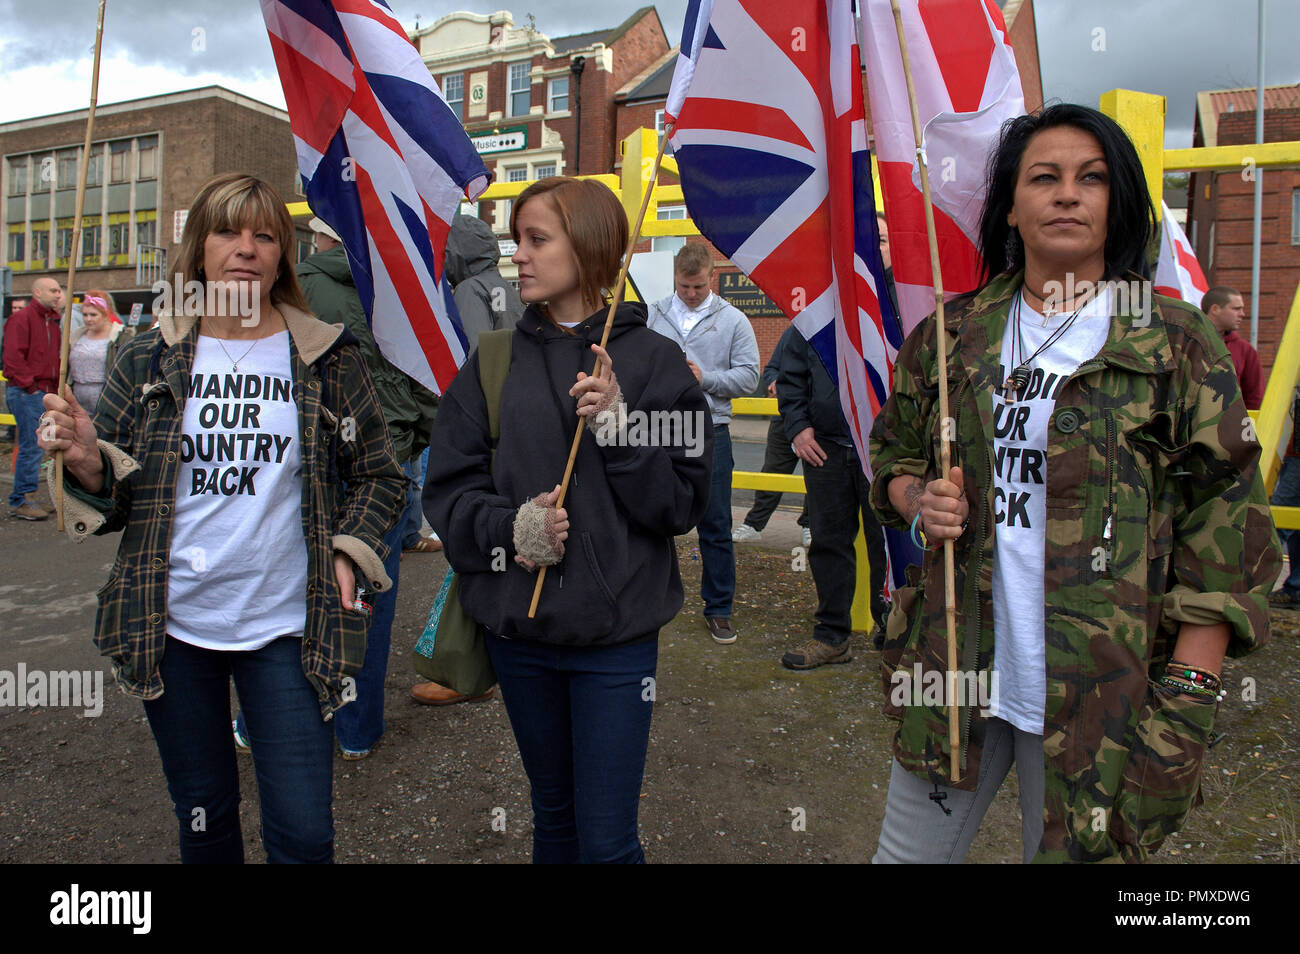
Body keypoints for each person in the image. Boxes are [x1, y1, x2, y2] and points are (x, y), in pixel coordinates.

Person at [869, 104, 1280, 863]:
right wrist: (916, 501)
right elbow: (893, 456)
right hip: (957, 669)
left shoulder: (1176, 342)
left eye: (1091, 178)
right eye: (1044, 178)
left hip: (1105, 697)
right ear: (1013, 208)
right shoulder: (952, 336)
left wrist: (1188, 698)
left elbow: (1225, 533)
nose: (1067, 194)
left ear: (1116, 202)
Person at [37, 172, 406, 863]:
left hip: (287, 629)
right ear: (197, 249)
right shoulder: (146, 353)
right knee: (204, 820)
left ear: (282, 254)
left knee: (304, 832)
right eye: (228, 231)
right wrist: (87, 461)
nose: (246, 247)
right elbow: (111, 493)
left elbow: (380, 474)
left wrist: (350, 548)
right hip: (172, 626)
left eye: (264, 234)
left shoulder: (326, 354)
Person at [424, 176, 711, 863]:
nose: (517, 255)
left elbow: (681, 504)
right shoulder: (493, 360)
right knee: (552, 822)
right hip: (521, 639)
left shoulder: (655, 361)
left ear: (586, 248)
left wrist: (620, 429)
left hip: (616, 645)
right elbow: (449, 490)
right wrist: (511, 530)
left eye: (536, 239)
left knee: (607, 843)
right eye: (515, 239)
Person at [232, 215, 437, 760]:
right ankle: (357, 730)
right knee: (366, 598)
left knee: (284, 596)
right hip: (383, 463)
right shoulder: (401, 291)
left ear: (319, 237)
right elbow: (431, 384)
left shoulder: (293, 288)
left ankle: (261, 722)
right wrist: (407, 438)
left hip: (304, 463)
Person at [410, 212, 528, 707]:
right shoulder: (509, 288)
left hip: (482, 436)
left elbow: (473, 366)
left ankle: (465, 664)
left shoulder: (467, 293)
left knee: (471, 546)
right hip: (518, 435)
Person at [646, 243, 758, 644]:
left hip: (711, 429)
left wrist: (704, 378)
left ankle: (719, 608)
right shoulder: (653, 314)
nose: (690, 293)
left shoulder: (734, 320)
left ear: (711, 277)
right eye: (683, 286)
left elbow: (749, 377)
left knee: (715, 523)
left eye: (696, 286)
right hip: (659, 426)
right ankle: (649, 602)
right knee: (651, 517)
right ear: (674, 278)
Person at [777, 322, 889, 669]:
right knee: (828, 543)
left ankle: (896, 638)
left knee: (889, 545)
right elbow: (790, 376)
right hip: (825, 449)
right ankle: (832, 636)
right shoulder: (812, 312)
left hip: (884, 448)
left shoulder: (891, 299)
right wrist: (798, 427)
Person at [732, 323, 810, 546]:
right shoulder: (793, 332)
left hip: (816, 420)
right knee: (772, 472)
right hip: (784, 417)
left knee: (815, 478)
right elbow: (772, 368)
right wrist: (774, 381)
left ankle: (810, 525)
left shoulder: (827, 335)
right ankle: (754, 525)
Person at [3, 277, 64, 520]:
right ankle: (22, 499)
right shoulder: (22, 320)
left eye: (59, 290)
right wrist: (31, 387)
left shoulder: (52, 322)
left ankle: (30, 496)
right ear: (37, 292)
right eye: (53, 290)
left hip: (43, 392)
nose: (58, 294)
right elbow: (13, 357)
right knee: (31, 445)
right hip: (29, 392)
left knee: (43, 445)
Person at [1201, 286, 1262, 410]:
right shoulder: (1186, 342)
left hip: (1230, 425)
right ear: (1215, 309)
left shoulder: (1245, 350)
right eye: (1236, 309)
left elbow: (1255, 397)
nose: (1242, 314)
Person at [68, 289, 128, 414]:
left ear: (105, 315)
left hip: (108, 398)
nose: (88, 319)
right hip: (77, 397)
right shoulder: (76, 336)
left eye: (93, 315)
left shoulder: (120, 337)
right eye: (85, 315)